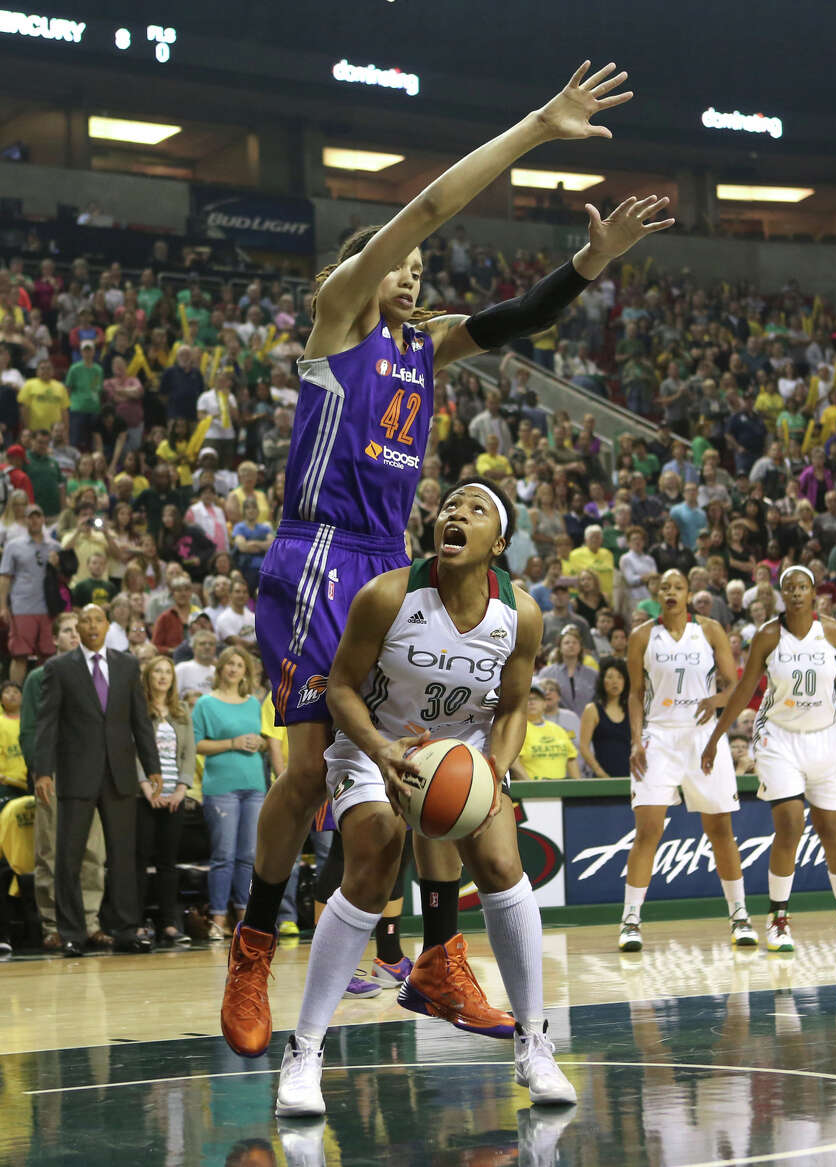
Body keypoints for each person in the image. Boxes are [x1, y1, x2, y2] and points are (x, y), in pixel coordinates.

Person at [223, 59, 673, 1058]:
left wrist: (591, 265)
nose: (413, 276)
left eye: (420, 275)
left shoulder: (424, 351)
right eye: (403, 267)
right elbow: (425, 206)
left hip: (392, 558)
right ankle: (252, 942)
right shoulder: (338, 316)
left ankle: (437, 955)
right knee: (304, 774)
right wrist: (539, 126)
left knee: (437, 752)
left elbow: (521, 322)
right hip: (321, 556)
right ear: (353, 275)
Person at [276, 478, 577, 1116]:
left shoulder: (520, 613)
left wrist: (494, 769)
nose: (455, 514)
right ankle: (304, 1051)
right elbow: (341, 690)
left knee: (501, 865)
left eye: (474, 509)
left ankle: (534, 1041)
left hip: (462, 749)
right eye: (449, 507)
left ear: (498, 541)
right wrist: (383, 753)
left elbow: (516, 706)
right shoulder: (388, 595)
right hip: (376, 742)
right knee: (375, 857)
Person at [701, 565, 836, 953]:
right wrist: (715, 737)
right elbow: (744, 689)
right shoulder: (768, 636)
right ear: (781, 595)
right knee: (790, 824)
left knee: (832, 828)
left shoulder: (835, 632)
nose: (796, 592)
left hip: (827, 737)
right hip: (779, 738)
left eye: (803, 587)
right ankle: (778, 917)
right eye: (789, 587)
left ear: (814, 594)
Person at [622, 569, 758, 953]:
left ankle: (740, 915)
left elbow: (735, 685)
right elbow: (634, 694)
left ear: (688, 594)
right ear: (657, 594)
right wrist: (636, 741)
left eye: (677, 587)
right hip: (659, 737)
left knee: (720, 831)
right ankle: (630, 920)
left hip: (703, 738)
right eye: (664, 587)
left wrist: (716, 702)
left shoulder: (710, 630)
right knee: (648, 829)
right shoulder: (642, 635)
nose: (670, 592)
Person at [33, 604, 161, 956]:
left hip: (119, 773)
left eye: (97, 620)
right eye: (84, 621)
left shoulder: (127, 664)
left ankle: (125, 930)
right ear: (77, 626)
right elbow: (47, 725)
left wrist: (152, 767)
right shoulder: (58, 668)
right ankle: (72, 933)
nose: (91, 626)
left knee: (122, 856)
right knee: (69, 856)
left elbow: (140, 721)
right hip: (76, 773)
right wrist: (43, 771)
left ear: (107, 626)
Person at [193, 647, 267, 941]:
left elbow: (263, 740)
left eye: (240, 665)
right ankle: (218, 918)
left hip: (254, 785)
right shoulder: (205, 704)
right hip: (221, 787)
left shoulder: (254, 703)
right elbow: (198, 745)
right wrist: (233, 742)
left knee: (249, 856)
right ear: (221, 668)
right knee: (223, 855)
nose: (234, 669)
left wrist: (258, 743)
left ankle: (245, 917)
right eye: (230, 664)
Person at [136, 656, 196, 947]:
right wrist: (147, 789)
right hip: (144, 796)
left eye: (167, 672)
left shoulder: (181, 711)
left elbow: (189, 753)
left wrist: (182, 789)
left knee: (168, 864)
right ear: (148, 677)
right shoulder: (138, 710)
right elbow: (132, 751)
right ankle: (136, 923)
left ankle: (169, 924)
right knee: (139, 861)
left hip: (174, 797)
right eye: (157, 672)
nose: (162, 677)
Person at [0, 503, 58, 684]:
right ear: (25, 521)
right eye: (30, 517)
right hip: (22, 607)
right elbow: (5, 578)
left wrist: (58, 565)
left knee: (48, 655)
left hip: (48, 607)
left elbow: (65, 577)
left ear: (43, 519)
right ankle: (15, 698)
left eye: (37, 516)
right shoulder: (13, 546)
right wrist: (2, 606)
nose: (34, 520)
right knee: (19, 655)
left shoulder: (55, 547)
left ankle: (45, 697)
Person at [513, 683, 580, 781]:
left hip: (562, 788)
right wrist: (530, 785)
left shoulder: (558, 730)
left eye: (536, 699)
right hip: (533, 789)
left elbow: (571, 758)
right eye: (527, 699)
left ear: (544, 703)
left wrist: (577, 786)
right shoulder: (517, 730)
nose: (531, 702)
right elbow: (514, 762)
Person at [579, 657, 630, 778]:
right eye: (610, 677)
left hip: (631, 776)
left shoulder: (631, 710)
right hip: (604, 776)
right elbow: (584, 747)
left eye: (619, 677)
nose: (615, 681)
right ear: (602, 681)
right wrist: (599, 772)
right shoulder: (592, 709)